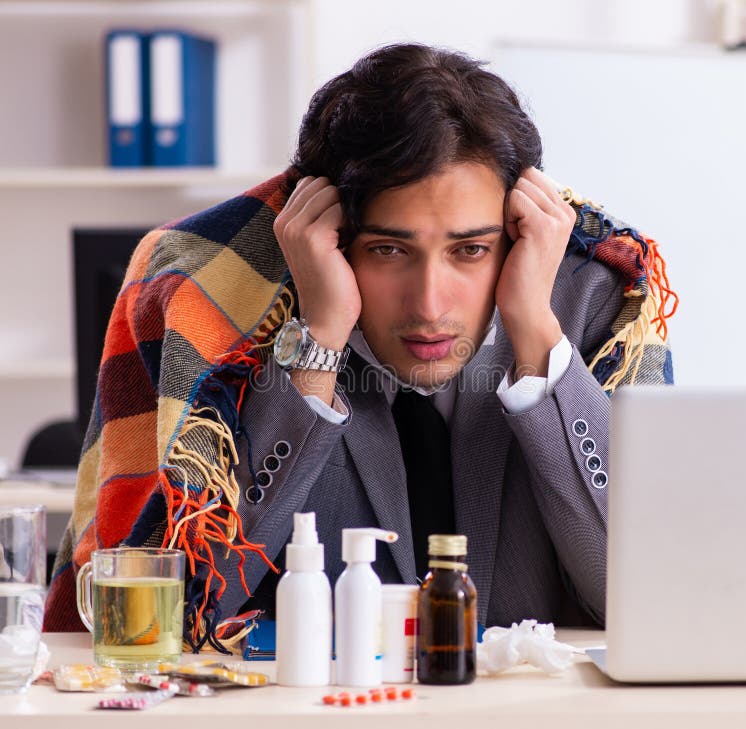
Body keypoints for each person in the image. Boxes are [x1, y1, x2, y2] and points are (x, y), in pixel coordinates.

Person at [43, 43, 675, 647]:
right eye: (389, 249)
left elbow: (651, 596)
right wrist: (317, 342)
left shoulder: (603, 296)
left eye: (470, 250)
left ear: (514, 234)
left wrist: (536, 335)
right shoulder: (206, 294)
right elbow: (168, 614)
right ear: (331, 232)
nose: (429, 305)